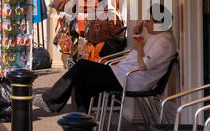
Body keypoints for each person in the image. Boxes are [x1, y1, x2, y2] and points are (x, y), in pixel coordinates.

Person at [41, 6, 177, 114]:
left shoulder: (164, 42)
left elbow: (143, 65)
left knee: (82, 66)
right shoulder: (157, 36)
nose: (146, 25)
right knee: (80, 83)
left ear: (159, 22)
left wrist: (140, 46)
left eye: (149, 21)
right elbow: (138, 53)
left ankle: (50, 100)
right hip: (122, 74)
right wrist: (137, 35)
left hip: (130, 80)